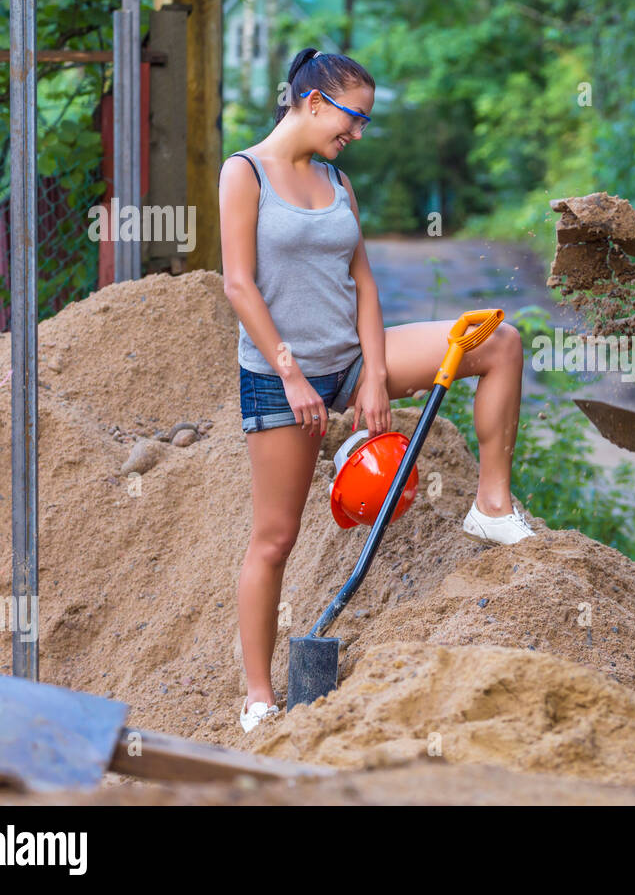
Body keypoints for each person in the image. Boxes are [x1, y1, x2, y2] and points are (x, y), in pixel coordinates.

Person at [219, 48, 535, 733]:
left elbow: (363, 280)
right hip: (279, 376)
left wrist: (377, 374)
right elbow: (238, 285)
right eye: (353, 118)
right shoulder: (243, 173)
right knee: (274, 539)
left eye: (364, 122)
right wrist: (293, 375)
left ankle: (491, 503)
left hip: (355, 359)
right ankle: (257, 697)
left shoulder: (335, 180)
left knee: (499, 344)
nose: (357, 134)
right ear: (310, 102)